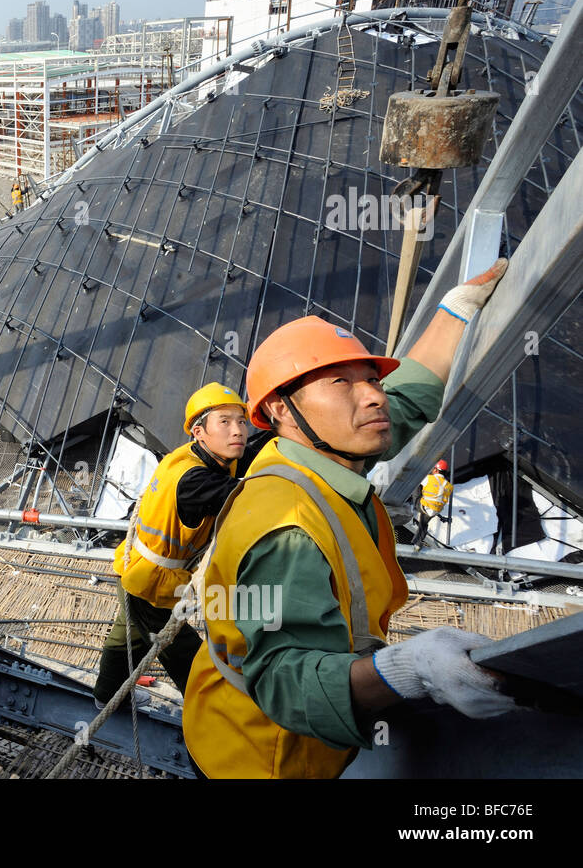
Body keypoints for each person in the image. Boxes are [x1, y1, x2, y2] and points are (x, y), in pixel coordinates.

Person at [183, 259, 517, 779]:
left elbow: (401, 401)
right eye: (342, 382)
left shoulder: (318, 453)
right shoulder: (284, 528)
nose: (373, 395)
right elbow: (284, 682)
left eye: (371, 380)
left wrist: (457, 309)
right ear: (281, 411)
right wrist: (410, 668)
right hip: (262, 757)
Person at [94, 383, 272, 709]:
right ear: (199, 431)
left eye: (242, 422)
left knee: (126, 639)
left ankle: (105, 696)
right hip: (152, 583)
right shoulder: (195, 483)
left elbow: (252, 451)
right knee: (186, 655)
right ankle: (210, 718)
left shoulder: (193, 456)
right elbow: (254, 500)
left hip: (136, 569)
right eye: (225, 422)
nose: (239, 432)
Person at [415, 459, 454, 545]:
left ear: (436, 470)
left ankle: (411, 502)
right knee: (424, 523)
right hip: (435, 511)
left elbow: (417, 479)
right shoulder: (449, 486)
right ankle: (417, 543)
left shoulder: (429, 479)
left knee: (416, 483)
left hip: (422, 506)